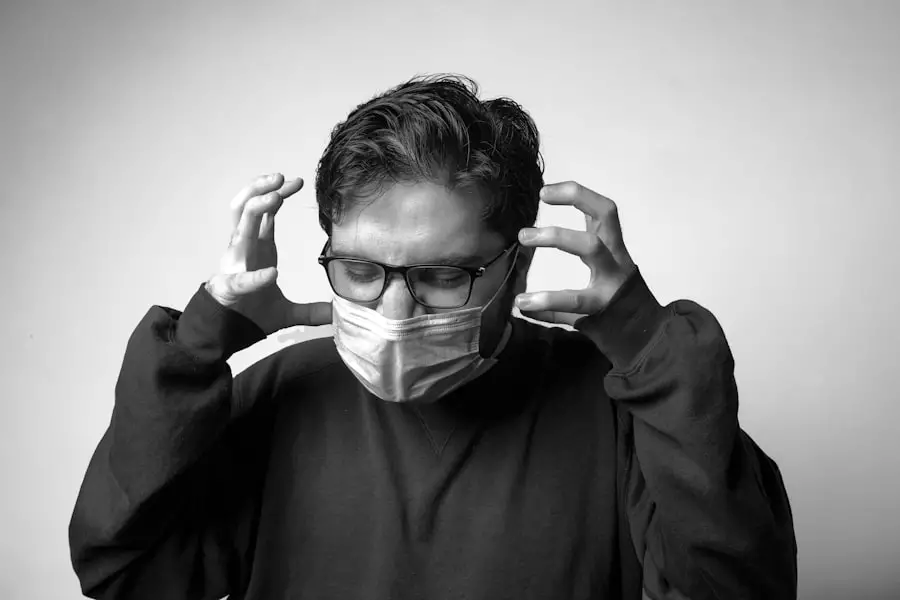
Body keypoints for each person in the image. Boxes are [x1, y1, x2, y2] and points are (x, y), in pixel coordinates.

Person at [68, 75, 797, 600]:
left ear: (518, 266)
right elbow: (125, 569)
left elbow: (738, 588)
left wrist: (651, 350)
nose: (394, 313)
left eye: (443, 276)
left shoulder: (616, 411)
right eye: (359, 270)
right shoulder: (286, 392)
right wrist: (201, 340)